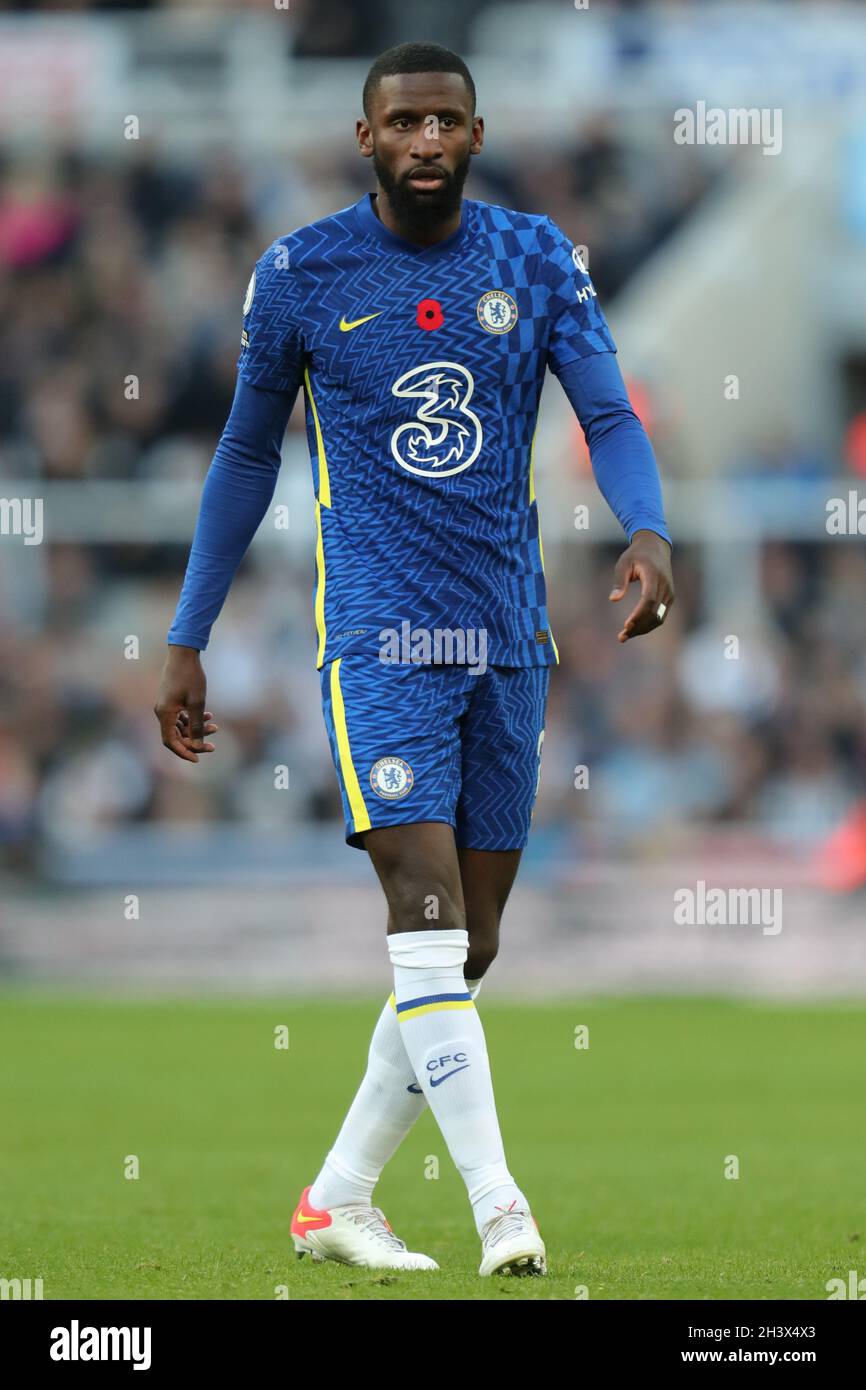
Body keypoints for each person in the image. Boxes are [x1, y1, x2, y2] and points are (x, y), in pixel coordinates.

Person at [155, 41, 674, 1278]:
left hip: (507, 636)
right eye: (405, 124)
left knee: (471, 942)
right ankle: (501, 1205)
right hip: (379, 637)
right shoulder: (301, 272)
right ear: (365, 136)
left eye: (446, 121)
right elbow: (240, 458)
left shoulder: (535, 257)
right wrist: (187, 632)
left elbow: (605, 411)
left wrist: (647, 527)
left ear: (477, 135)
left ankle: (335, 1197)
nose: (426, 141)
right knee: (423, 918)